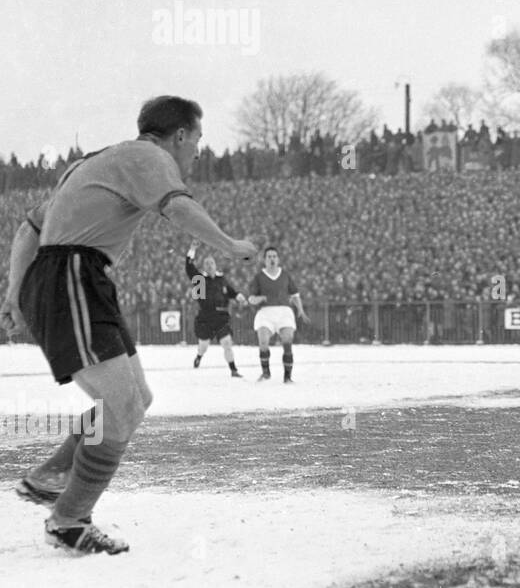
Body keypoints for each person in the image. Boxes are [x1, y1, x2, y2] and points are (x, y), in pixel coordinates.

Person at [0, 97, 257, 554]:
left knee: (135, 400)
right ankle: (69, 520)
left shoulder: (96, 162)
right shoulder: (150, 157)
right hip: (71, 276)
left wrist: (14, 294)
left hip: (81, 276)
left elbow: (28, 229)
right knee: (119, 405)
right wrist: (228, 243)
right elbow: (177, 207)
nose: (197, 151)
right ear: (179, 135)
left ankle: (53, 476)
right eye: (197, 139)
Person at [245, 246, 308, 383]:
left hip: (284, 311)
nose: (272, 259)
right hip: (266, 312)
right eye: (269, 257)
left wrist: (301, 310)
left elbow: (295, 294)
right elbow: (251, 298)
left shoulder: (285, 275)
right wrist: (259, 299)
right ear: (265, 260)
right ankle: (266, 372)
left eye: (274, 256)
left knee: (287, 341)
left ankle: (287, 377)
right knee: (263, 341)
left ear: (278, 259)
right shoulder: (259, 277)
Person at [185, 241, 246, 377]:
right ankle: (199, 356)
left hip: (221, 317)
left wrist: (238, 296)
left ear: (215, 265)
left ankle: (233, 370)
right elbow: (189, 268)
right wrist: (192, 250)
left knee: (227, 343)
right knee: (204, 345)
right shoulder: (200, 279)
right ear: (204, 267)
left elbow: (231, 292)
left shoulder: (221, 279)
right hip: (205, 317)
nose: (209, 266)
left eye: (211, 263)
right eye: (206, 264)